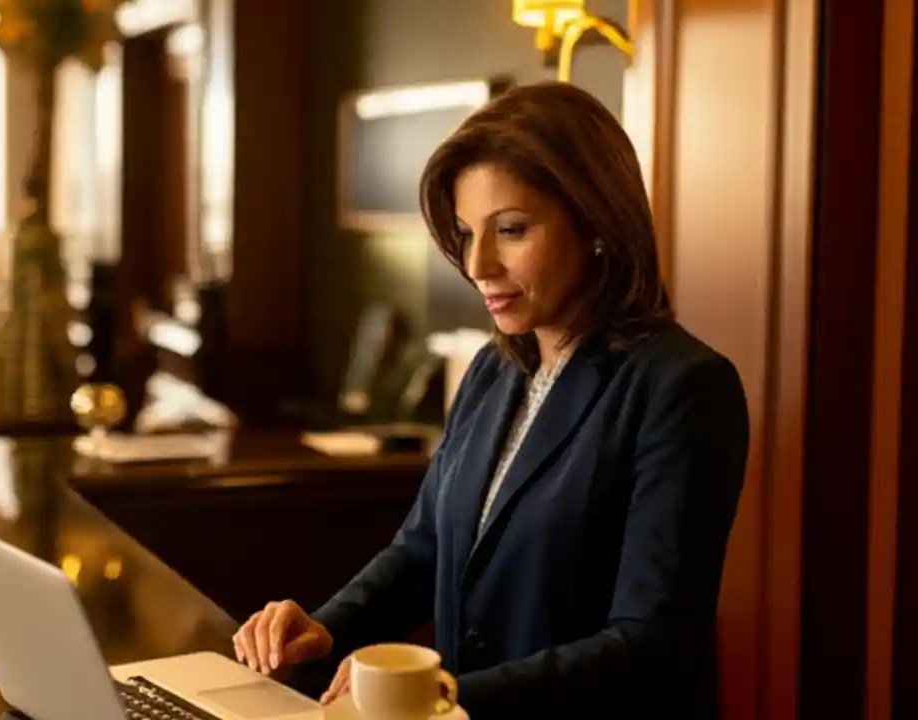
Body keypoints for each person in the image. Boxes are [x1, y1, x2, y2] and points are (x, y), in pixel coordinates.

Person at [232, 82, 749, 718]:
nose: (477, 264)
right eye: (464, 232)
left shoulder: (683, 385)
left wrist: (443, 697)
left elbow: (652, 643)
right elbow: (425, 548)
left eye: (510, 230)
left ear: (597, 224)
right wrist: (326, 629)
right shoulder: (493, 368)